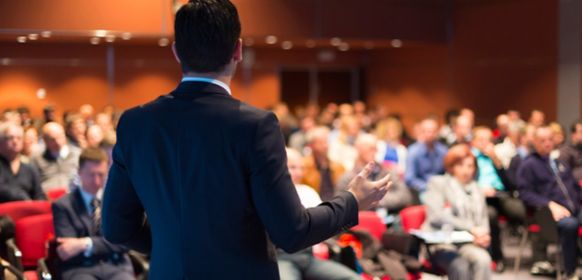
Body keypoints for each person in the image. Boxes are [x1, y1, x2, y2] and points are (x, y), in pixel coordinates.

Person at [101, 1, 390, 279]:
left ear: (176, 52)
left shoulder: (135, 123)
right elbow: (292, 232)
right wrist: (351, 201)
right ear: (238, 49)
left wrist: (177, 247)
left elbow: (116, 229)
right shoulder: (255, 126)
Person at [516, 126, 582, 280]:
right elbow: (525, 194)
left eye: (550, 139)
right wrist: (549, 204)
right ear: (535, 142)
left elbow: (576, 187)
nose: (547, 143)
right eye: (542, 141)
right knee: (570, 225)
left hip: (574, 208)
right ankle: (569, 273)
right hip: (546, 213)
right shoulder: (528, 164)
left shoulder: (559, 162)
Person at [53, 148, 134, 280]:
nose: (97, 182)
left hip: (116, 265)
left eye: (101, 175)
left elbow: (123, 243)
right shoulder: (62, 205)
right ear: (79, 172)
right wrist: (107, 245)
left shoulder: (117, 200)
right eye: (91, 175)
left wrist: (85, 243)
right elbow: (66, 250)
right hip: (80, 269)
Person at [279, 148, 359, 280]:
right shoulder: (271, 197)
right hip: (283, 258)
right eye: (292, 167)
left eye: (301, 167)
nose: (298, 172)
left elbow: (326, 222)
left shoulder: (308, 191)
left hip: (308, 258)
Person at [422, 144, 492, 280]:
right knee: (461, 266)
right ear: (451, 166)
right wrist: (471, 228)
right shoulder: (438, 183)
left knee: (483, 259)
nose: (466, 170)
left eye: (470, 166)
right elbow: (437, 216)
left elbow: (483, 217)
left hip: (469, 242)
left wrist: (484, 234)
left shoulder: (476, 188)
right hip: (442, 242)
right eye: (461, 165)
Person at [470, 127, 525, 271]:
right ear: (473, 141)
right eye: (481, 140)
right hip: (480, 199)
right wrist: (481, 190)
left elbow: (510, 184)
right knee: (490, 216)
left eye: (488, 140)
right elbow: (466, 183)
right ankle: (496, 257)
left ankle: (540, 256)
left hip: (500, 195)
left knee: (522, 211)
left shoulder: (495, 157)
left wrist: (496, 160)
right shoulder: (470, 158)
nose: (484, 143)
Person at [337, 134, 412, 214]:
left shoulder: (387, 171)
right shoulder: (348, 177)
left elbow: (405, 196)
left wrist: (378, 200)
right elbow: (341, 205)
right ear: (358, 149)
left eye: (375, 148)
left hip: (390, 218)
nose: (374, 151)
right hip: (361, 222)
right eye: (370, 148)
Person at [405, 118, 448, 202]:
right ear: (422, 132)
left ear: (437, 132)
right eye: (427, 131)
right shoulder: (413, 151)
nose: (430, 134)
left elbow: (447, 173)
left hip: (441, 188)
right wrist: (428, 187)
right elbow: (409, 178)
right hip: (422, 190)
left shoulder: (443, 150)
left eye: (433, 131)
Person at [0, 122, 45, 202]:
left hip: (28, 212)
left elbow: (39, 196)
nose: (15, 141)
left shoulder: (30, 168)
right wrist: (23, 198)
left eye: (19, 138)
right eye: (10, 138)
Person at [31, 122, 79, 192]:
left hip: (71, 197)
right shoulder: (37, 157)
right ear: (45, 140)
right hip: (47, 197)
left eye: (60, 137)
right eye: (52, 139)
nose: (57, 142)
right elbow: (33, 182)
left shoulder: (76, 154)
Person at [302, 126, 346, 200]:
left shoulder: (338, 166)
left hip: (335, 204)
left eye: (326, 142)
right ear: (311, 145)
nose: (325, 146)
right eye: (321, 143)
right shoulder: (303, 166)